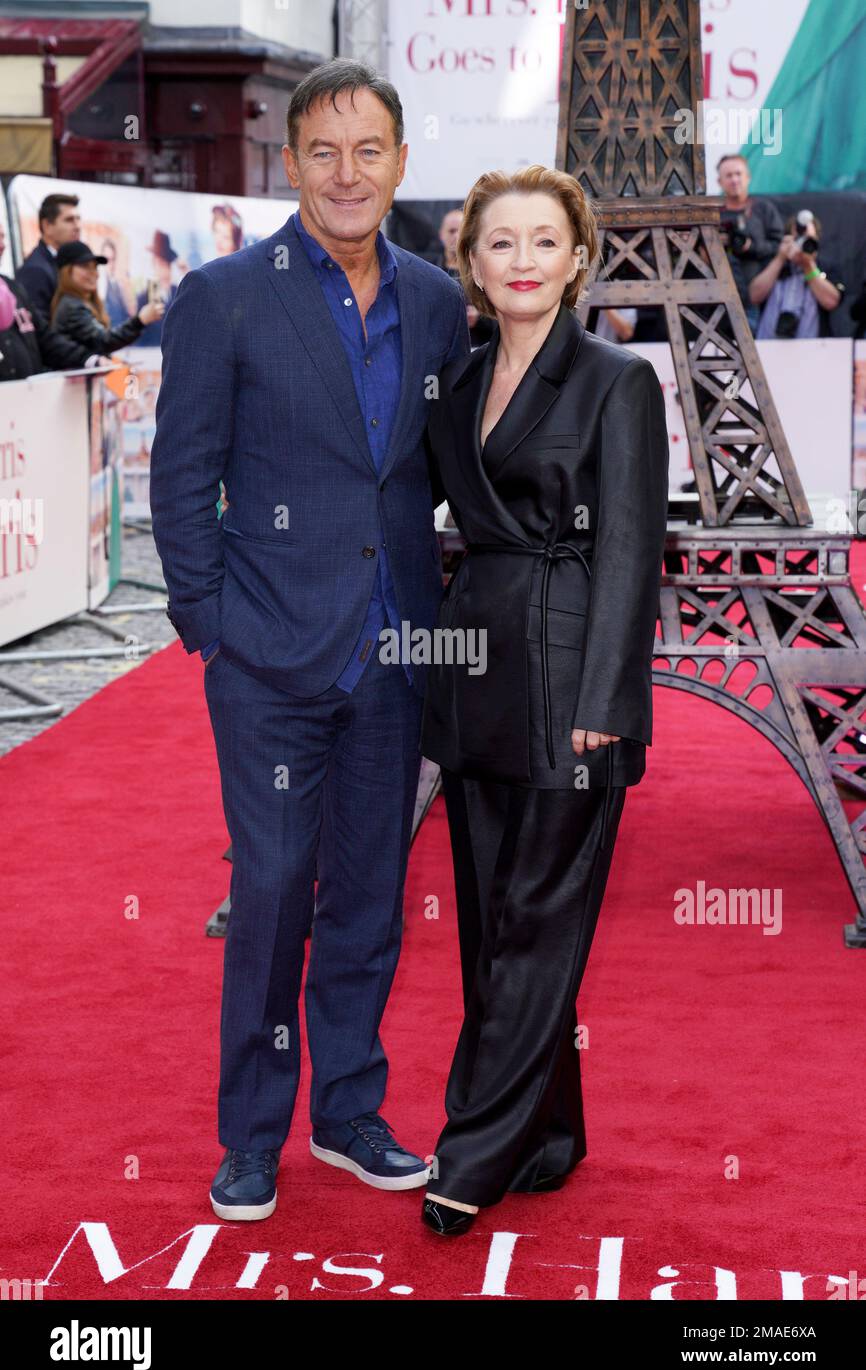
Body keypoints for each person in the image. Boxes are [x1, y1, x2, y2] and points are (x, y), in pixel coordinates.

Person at [149, 58, 469, 1222]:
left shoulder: (435, 301)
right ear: (291, 164)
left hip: (394, 655)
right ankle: (250, 1135)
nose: (347, 173)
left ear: (397, 162)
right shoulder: (226, 294)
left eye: (368, 150)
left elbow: (446, 472)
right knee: (276, 889)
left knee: (372, 897)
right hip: (268, 655)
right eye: (322, 151)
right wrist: (211, 627)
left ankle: (347, 1110)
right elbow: (180, 474)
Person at [418, 164, 669, 1235]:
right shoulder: (457, 382)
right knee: (489, 921)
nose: (521, 261)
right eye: (499, 243)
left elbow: (629, 549)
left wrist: (607, 694)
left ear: (576, 258)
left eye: (541, 241)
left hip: (571, 680)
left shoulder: (617, 380)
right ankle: (547, 1132)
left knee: (532, 918)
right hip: (475, 672)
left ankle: (469, 1144)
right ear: (470, 264)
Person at [0, 224, 107, 381]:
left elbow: (46, 339)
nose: (3, 244)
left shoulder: (13, 287)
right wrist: (139, 321)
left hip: (28, 396)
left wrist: (88, 360)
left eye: (3, 236)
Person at [50, 241, 164, 353]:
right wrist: (140, 321)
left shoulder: (80, 302)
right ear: (67, 272)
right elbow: (104, 341)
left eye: (94, 267)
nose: (95, 273)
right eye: (85, 266)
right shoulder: (71, 307)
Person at [716, 154, 784, 334]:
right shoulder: (713, 214)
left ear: (748, 177)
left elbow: (779, 246)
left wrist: (750, 246)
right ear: (720, 181)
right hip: (720, 297)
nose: (734, 180)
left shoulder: (763, 209)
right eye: (728, 176)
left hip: (762, 296)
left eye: (738, 174)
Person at [750, 211, 843, 339]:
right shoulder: (773, 263)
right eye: (798, 239)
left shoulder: (825, 266)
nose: (802, 244)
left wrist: (808, 267)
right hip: (768, 346)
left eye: (808, 240)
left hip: (813, 348)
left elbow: (831, 301)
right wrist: (780, 258)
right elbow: (754, 296)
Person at [433, 206, 494, 348]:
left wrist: (479, 318)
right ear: (441, 235)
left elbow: (504, 317)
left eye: (460, 230)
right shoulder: (428, 273)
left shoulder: (485, 271)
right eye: (451, 231)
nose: (456, 236)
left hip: (480, 354)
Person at [15, 192, 82, 319]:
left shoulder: (67, 262)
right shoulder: (35, 270)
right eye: (69, 220)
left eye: (78, 219)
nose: (78, 226)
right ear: (47, 226)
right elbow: (38, 328)